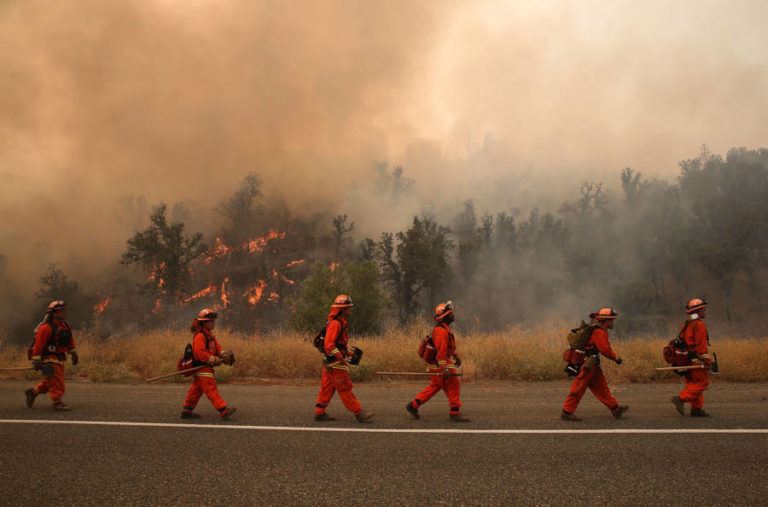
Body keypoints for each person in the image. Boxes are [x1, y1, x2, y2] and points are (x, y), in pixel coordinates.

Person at [406, 301, 469, 422]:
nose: (453, 316)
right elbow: (441, 352)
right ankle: (455, 412)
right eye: (451, 314)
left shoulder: (444, 329)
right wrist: (444, 368)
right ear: (445, 316)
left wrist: (456, 356)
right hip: (441, 364)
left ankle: (413, 405)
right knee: (454, 385)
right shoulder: (441, 331)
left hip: (436, 364)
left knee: (435, 386)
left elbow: (447, 348)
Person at [561, 307, 628, 421]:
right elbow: (605, 349)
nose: (613, 322)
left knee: (601, 387)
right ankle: (567, 412)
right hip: (587, 365)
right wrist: (616, 358)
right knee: (578, 387)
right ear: (605, 321)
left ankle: (615, 409)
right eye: (612, 320)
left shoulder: (595, 328)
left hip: (592, 364)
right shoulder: (599, 331)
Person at [314, 295, 373, 422]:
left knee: (327, 387)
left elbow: (339, 342)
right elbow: (329, 345)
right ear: (342, 309)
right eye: (348, 308)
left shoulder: (340, 322)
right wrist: (341, 357)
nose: (350, 310)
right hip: (335, 363)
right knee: (345, 387)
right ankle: (358, 412)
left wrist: (348, 351)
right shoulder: (336, 323)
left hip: (329, 362)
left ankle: (320, 412)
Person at [180, 308, 237, 419]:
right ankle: (223, 410)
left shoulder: (210, 336)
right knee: (211, 389)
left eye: (213, 320)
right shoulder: (199, 336)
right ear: (204, 322)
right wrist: (213, 359)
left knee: (196, 389)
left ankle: (187, 410)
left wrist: (225, 356)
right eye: (210, 321)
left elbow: (218, 350)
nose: (213, 323)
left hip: (207, 367)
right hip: (202, 367)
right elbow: (200, 353)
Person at [25, 300, 78, 411]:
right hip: (48, 359)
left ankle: (33, 392)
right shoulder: (46, 328)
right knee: (57, 380)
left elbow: (70, 340)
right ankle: (57, 402)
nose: (64, 313)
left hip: (59, 358)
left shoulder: (64, 326)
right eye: (60, 311)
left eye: (64, 310)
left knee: (50, 381)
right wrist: (36, 361)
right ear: (53, 313)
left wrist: (73, 353)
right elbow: (38, 346)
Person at [671, 298, 713, 417]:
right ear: (698, 311)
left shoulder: (688, 323)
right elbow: (701, 347)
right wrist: (707, 361)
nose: (705, 311)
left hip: (686, 359)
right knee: (702, 382)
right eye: (703, 309)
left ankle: (696, 409)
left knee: (693, 383)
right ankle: (681, 399)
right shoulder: (698, 325)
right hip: (696, 359)